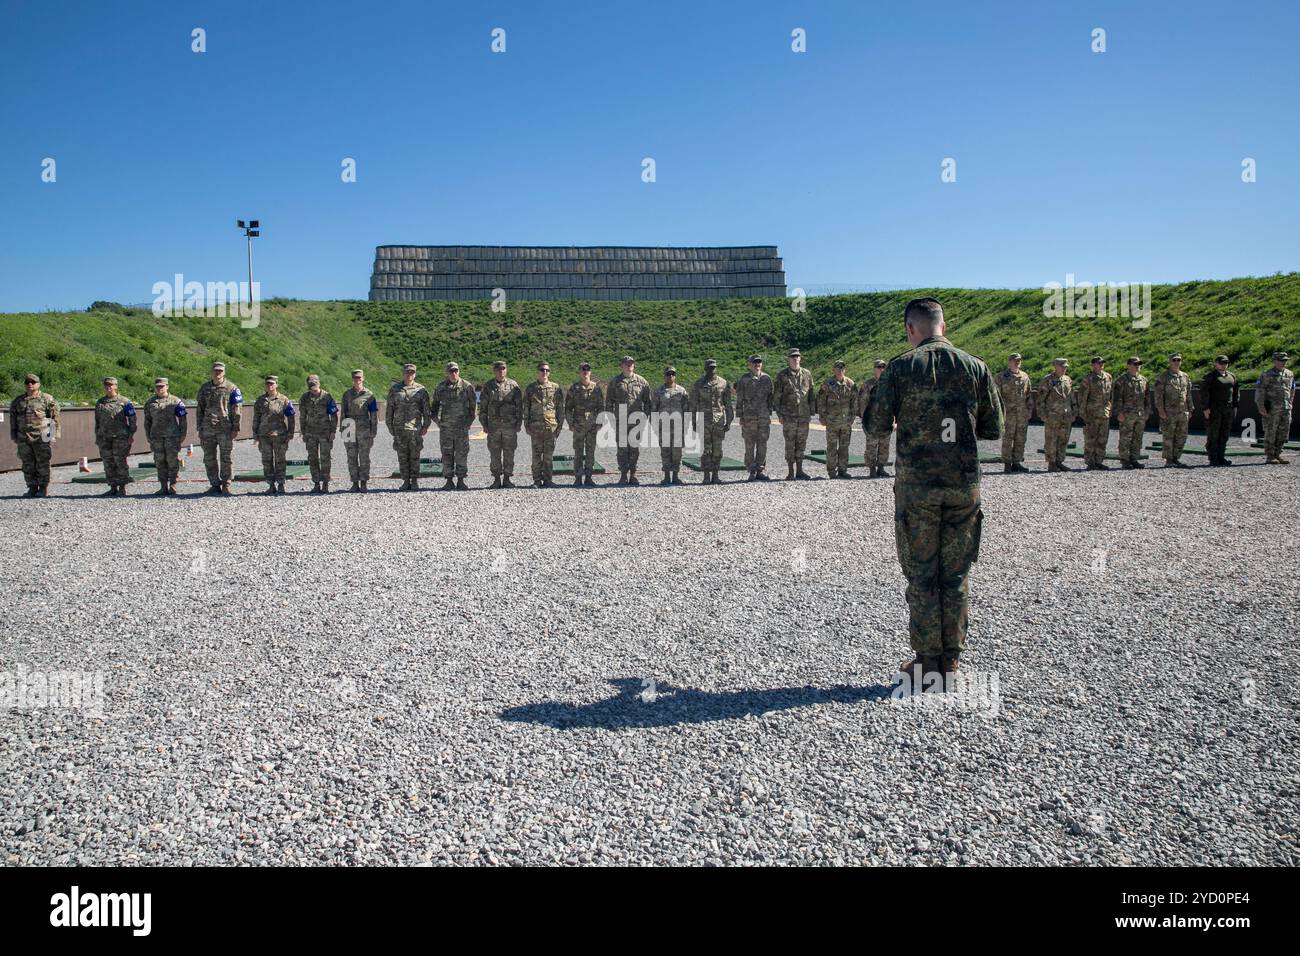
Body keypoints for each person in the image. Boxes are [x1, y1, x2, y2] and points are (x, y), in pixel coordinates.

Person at [866, 298, 1002, 684]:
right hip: (962, 487)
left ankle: (927, 663)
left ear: (911, 329)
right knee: (956, 575)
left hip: (919, 490)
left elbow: (875, 425)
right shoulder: (975, 367)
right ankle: (952, 660)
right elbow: (994, 428)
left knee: (922, 574)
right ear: (944, 325)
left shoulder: (900, 368)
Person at [10, 373, 59, 498]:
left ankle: (43, 488)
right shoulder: (18, 401)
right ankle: (32, 487)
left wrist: (52, 435)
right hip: (23, 437)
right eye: (27, 382)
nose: (30, 384)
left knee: (42, 463)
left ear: (38, 384)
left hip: (41, 436)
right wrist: (14, 434)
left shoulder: (46, 399)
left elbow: (54, 417)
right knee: (27, 463)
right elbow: (13, 418)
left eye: (33, 382)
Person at [196, 361, 242, 495]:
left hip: (225, 429)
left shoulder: (232, 388)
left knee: (226, 457)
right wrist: (200, 428)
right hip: (208, 429)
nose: (218, 373)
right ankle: (214, 484)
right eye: (216, 371)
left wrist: (235, 428)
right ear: (212, 372)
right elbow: (200, 410)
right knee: (209, 458)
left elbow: (237, 410)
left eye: (220, 371)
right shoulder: (204, 388)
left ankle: (226, 484)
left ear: (224, 372)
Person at [431, 361, 476, 490]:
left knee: (462, 453)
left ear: (459, 371)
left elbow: (473, 408)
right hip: (446, 429)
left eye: (456, 371)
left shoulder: (467, 387)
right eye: (451, 371)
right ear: (447, 373)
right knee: (447, 454)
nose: (453, 374)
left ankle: (461, 480)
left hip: (461, 428)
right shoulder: (440, 387)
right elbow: (434, 407)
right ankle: (449, 480)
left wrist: (468, 423)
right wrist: (439, 422)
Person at [606, 356, 651, 484]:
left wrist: (644, 417)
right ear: (621, 365)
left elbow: (648, 402)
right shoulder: (615, 382)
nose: (629, 365)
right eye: (626, 363)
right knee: (622, 448)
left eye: (631, 363)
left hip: (636, 421)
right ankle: (623, 475)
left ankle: (633, 474)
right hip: (620, 421)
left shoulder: (642, 382)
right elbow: (609, 402)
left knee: (634, 448)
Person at [386, 363, 432, 490]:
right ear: (403, 373)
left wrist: (426, 426)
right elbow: (390, 409)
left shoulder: (420, 390)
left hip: (414, 429)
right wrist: (390, 426)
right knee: (402, 456)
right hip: (399, 429)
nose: (409, 375)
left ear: (415, 374)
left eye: (412, 373)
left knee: (415, 455)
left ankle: (415, 480)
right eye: (407, 372)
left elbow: (426, 410)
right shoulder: (395, 389)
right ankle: (406, 480)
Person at [690, 360, 733, 484]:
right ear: (705, 369)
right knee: (706, 449)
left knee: (718, 449)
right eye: (709, 368)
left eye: (714, 368)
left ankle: (715, 474)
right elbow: (693, 404)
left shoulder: (723, 383)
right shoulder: (698, 384)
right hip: (704, 421)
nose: (712, 370)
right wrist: (693, 421)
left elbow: (728, 404)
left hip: (719, 421)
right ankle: (706, 475)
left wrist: (729, 421)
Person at [480, 360, 523, 488]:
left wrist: (519, 423)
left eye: (503, 368)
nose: (501, 371)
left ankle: (508, 479)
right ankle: (497, 479)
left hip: (510, 427)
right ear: (494, 371)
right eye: (498, 369)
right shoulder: (488, 386)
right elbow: (483, 408)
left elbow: (519, 407)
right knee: (495, 454)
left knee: (509, 453)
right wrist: (484, 424)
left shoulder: (513, 386)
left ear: (506, 370)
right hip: (494, 427)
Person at [93, 376, 137, 497]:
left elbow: (132, 420)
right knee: (108, 462)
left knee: (120, 461)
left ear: (116, 386)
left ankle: (122, 487)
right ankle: (112, 487)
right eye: (106, 385)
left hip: (120, 437)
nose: (109, 387)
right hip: (104, 437)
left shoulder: (125, 402)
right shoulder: (100, 402)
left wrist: (131, 434)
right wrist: (97, 435)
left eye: (111, 385)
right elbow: (97, 421)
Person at [143, 377, 187, 495]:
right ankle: (163, 486)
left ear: (167, 386)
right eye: (157, 387)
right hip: (156, 437)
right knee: (159, 461)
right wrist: (148, 436)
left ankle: (173, 484)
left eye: (162, 386)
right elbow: (147, 421)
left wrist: (183, 435)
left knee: (172, 461)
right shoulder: (150, 403)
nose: (159, 389)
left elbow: (183, 420)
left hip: (172, 437)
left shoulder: (175, 401)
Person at [524, 363, 565, 487]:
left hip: (550, 427)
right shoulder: (531, 388)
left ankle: (548, 480)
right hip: (536, 427)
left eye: (547, 370)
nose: (545, 372)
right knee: (536, 456)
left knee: (548, 456)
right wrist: (526, 425)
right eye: (542, 370)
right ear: (538, 371)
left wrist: (559, 427)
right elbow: (526, 407)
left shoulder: (555, 388)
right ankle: (536, 480)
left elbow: (560, 409)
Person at [734, 355, 774, 481]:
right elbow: (739, 398)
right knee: (749, 445)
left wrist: (769, 413)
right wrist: (740, 415)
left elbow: (771, 398)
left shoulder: (767, 379)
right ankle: (751, 470)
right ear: (750, 364)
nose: (757, 364)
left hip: (763, 417)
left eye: (759, 362)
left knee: (763, 444)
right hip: (749, 417)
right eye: (755, 362)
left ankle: (760, 470)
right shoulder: (744, 379)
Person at [253, 375, 295, 494]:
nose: (270, 386)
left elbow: (291, 417)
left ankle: (281, 484)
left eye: (272, 383)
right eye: (268, 384)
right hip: (264, 435)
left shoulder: (283, 399)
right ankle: (271, 485)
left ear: (276, 385)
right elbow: (256, 418)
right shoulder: (260, 400)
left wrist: (290, 433)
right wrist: (255, 434)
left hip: (279, 435)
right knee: (267, 460)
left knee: (280, 460)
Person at [298, 374, 338, 492]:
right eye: (311, 385)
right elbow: (302, 416)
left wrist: (333, 431)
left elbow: (334, 415)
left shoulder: (327, 397)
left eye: (315, 384)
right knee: (312, 458)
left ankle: (325, 483)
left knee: (325, 458)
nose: (313, 387)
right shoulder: (304, 398)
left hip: (325, 433)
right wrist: (303, 432)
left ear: (319, 384)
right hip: (310, 433)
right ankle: (316, 483)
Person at [1153, 353, 1194, 468]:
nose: (1176, 362)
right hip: (1169, 412)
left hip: (1183, 412)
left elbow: (1188, 394)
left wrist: (1190, 408)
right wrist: (1161, 410)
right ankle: (1168, 459)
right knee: (1168, 437)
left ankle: (1176, 458)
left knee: (1181, 436)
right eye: (1174, 360)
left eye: (1179, 360)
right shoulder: (1164, 377)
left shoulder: (1185, 376)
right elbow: (1158, 396)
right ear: (1170, 362)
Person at [566, 363, 603, 487]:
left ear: (590, 372)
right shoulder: (574, 388)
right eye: (583, 369)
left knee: (590, 452)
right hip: (579, 426)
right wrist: (570, 423)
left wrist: (599, 422)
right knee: (578, 452)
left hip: (592, 426)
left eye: (587, 369)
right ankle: (577, 478)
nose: (585, 372)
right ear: (579, 372)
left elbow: (600, 407)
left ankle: (588, 477)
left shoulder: (596, 388)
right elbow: (568, 408)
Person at [340, 370, 378, 492]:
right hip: (349, 428)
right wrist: (342, 430)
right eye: (355, 378)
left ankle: (364, 482)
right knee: (351, 457)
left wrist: (373, 431)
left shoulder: (369, 395)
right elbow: (343, 413)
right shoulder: (347, 394)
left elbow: (373, 414)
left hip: (364, 429)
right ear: (352, 379)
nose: (357, 380)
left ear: (363, 378)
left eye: (359, 378)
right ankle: (354, 482)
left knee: (364, 457)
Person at [817, 361, 856, 478]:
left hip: (845, 422)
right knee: (832, 447)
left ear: (845, 370)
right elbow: (821, 401)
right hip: (832, 421)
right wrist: (822, 417)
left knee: (844, 447)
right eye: (837, 368)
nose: (840, 370)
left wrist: (852, 417)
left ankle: (843, 470)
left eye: (842, 368)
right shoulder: (828, 384)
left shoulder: (850, 384)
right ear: (833, 370)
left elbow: (854, 402)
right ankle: (832, 471)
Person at [1037, 359, 1077, 472]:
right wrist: (1042, 415)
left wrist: (1074, 412)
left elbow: (1071, 397)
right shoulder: (1047, 380)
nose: (1064, 368)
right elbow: (1040, 400)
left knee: (1063, 440)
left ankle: (1059, 461)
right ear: (1056, 366)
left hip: (1066, 416)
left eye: (1066, 367)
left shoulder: (1067, 379)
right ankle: (1052, 463)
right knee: (1051, 440)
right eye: (1062, 366)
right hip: (1052, 416)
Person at [652, 366, 690, 485]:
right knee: (665, 451)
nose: (671, 376)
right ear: (664, 376)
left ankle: (676, 476)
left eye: (673, 374)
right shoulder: (658, 391)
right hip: (664, 427)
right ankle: (667, 476)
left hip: (678, 427)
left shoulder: (681, 391)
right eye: (668, 374)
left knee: (677, 452)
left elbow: (686, 409)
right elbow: (654, 409)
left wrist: (686, 425)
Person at [1075, 356, 1115, 470]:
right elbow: (1082, 398)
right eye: (1099, 363)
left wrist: (1110, 409)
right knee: (1091, 439)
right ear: (1093, 365)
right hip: (1091, 413)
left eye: (1102, 363)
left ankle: (1099, 461)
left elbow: (1110, 395)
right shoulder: (1089, 379)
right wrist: (1083, 414)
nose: (1101, 365)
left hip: (1104, 413)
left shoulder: (1108, 377)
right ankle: (1090, 462)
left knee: (1102, 439)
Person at [995, 353, 1033, 473]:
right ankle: (1007, 463)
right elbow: (996, 397)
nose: (1017, 362)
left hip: (1022, 414)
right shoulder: (1001, 377)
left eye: (1019, 360)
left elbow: (1029, 395)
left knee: (1020, 439)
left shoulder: (1025, 377)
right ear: (1009, 362)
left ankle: (1016, 462)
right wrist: (999, 413)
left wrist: (1029, 411)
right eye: (1015, 360)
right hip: (1008, 414)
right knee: (1007, 439)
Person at [1257, 351, 1294, 464]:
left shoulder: (1289, 374)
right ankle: (1270, 455)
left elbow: (1292, 389)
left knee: (1283, 432)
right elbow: (1260, 391)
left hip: (1286, 408)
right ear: (1274, 361)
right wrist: (1261, 407)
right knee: (1271, 432)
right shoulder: (1266, 374)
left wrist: (1291, 403)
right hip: (1272, 409)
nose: (1283, 363)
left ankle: (1278, 454)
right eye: (1281, 360)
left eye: (1285, 361)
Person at [1201, 355, 1239, 467]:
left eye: (1226, 362)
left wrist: (1235, 406)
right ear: (1216, 364)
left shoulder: (1232, 376)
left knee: (1224, 434)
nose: (1224, 365)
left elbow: (1236, 392)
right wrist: (1205, 408)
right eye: (1221, 362)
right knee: (1213, 434)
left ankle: (1221, 457)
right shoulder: (1210, 377)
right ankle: (1213, 458)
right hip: (1214, 409)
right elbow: (1204, 393)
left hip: (1228, 409)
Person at [1113, 358, 1149, 470]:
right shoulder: (1122, 380)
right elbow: (1117, 398)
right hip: (1127, 414)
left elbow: (1147, 398)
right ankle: (1124, 460)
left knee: (1137, 437)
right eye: (1135, 364)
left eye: (1139, 364)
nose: (1138, 366)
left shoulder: (1144, 380)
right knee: (1125, 438)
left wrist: (1147, 412)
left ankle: (1134, 458)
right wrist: (1119, 412)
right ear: (1129, 365)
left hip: (1140, 414)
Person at [858, 359, 892, 478]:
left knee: (884, 444)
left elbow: (894, 401)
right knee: (871, 445)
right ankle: (872, 468)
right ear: (874, 369)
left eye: (883, 367)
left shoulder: (890, 383)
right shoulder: (868, 384)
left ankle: (881, 467)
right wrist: (864, 419)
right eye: (879, 367)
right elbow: (862, 402)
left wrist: (894, 418)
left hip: (885, 420)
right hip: (871, 420)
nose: (881, 369)